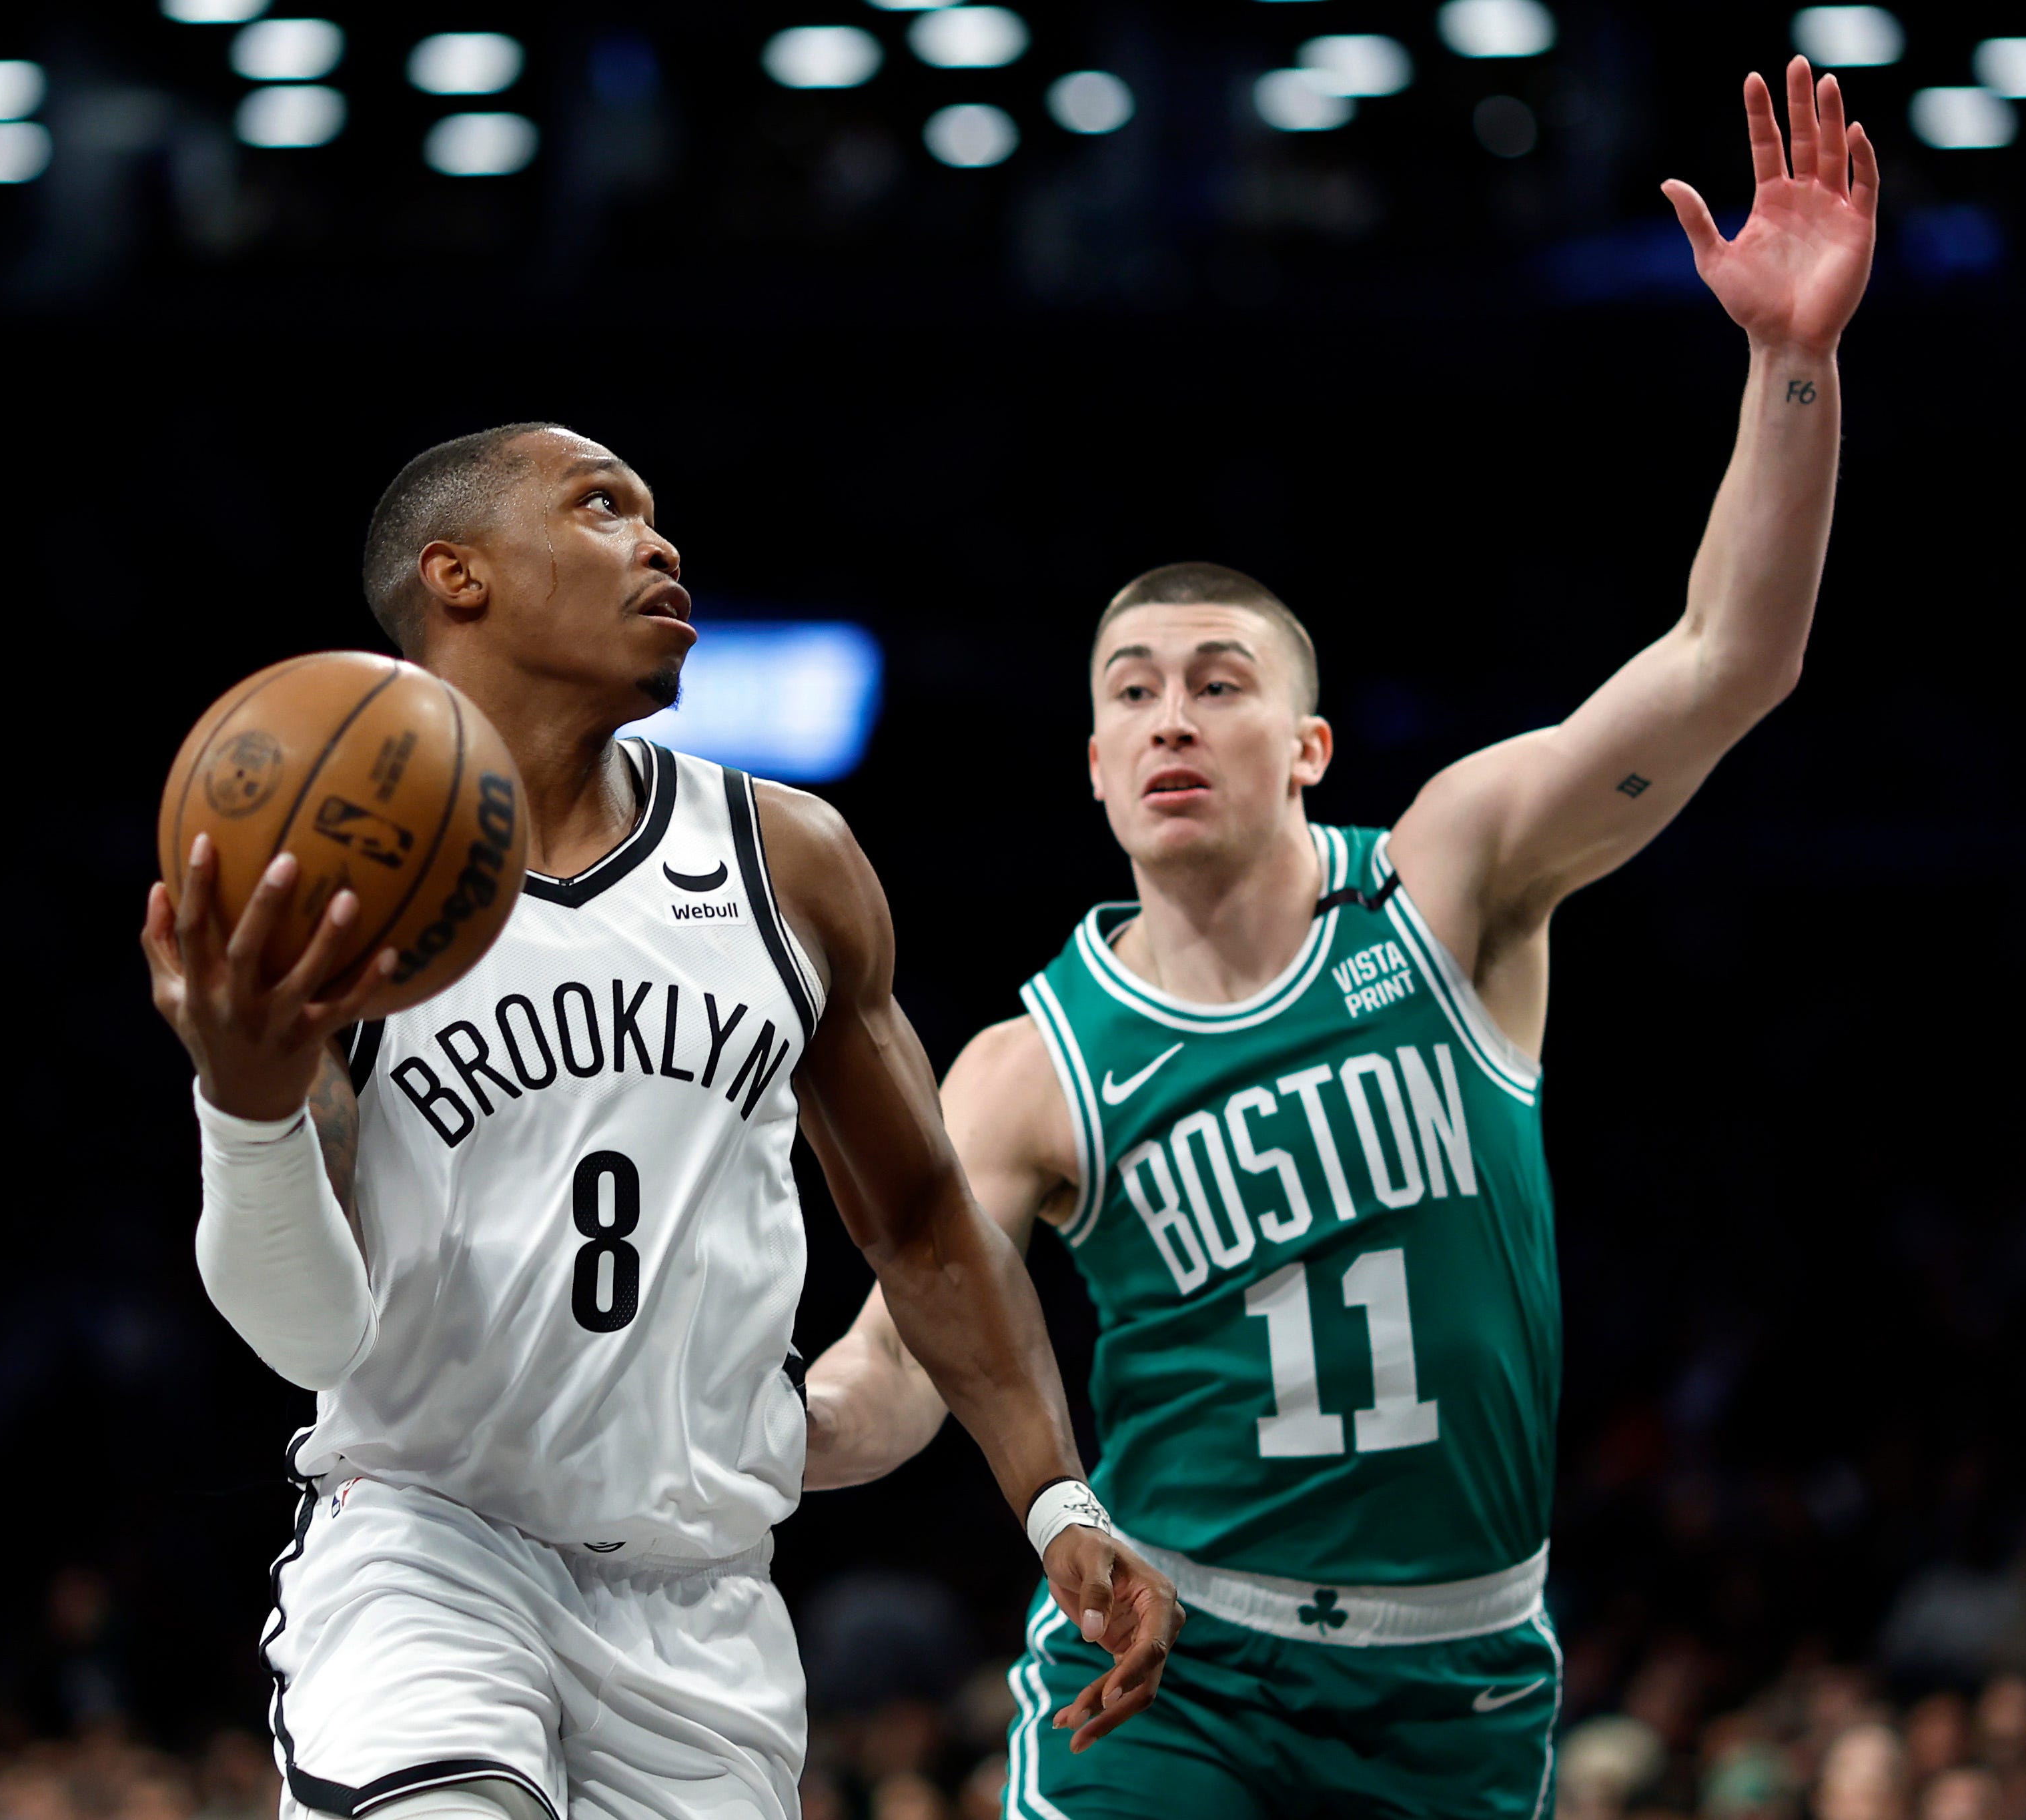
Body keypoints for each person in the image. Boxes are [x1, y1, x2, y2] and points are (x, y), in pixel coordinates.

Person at [801, 56, 1877, 1820]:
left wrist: (1792, 364)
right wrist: (734, 1432)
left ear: (1305, 747)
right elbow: (896, 1373)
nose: (1169, 716)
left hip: (1457, 1680)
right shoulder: (1028, 1070)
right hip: (1173, 1663)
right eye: (1129, 692)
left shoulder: (1449, 884)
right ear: (1092, 765)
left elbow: (1725, 662)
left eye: (1217, 683)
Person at [137, 424, 1180, 1820]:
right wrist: (248, 1109)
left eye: (654, 513)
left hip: (703, 1607)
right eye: (601, 507)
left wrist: (1058, 1501)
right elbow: (311, 1338)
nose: (660, 542)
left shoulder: (788, 861)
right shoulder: (338, 886)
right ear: (458, 575)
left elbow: (927, 1221)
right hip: (429, 1554)